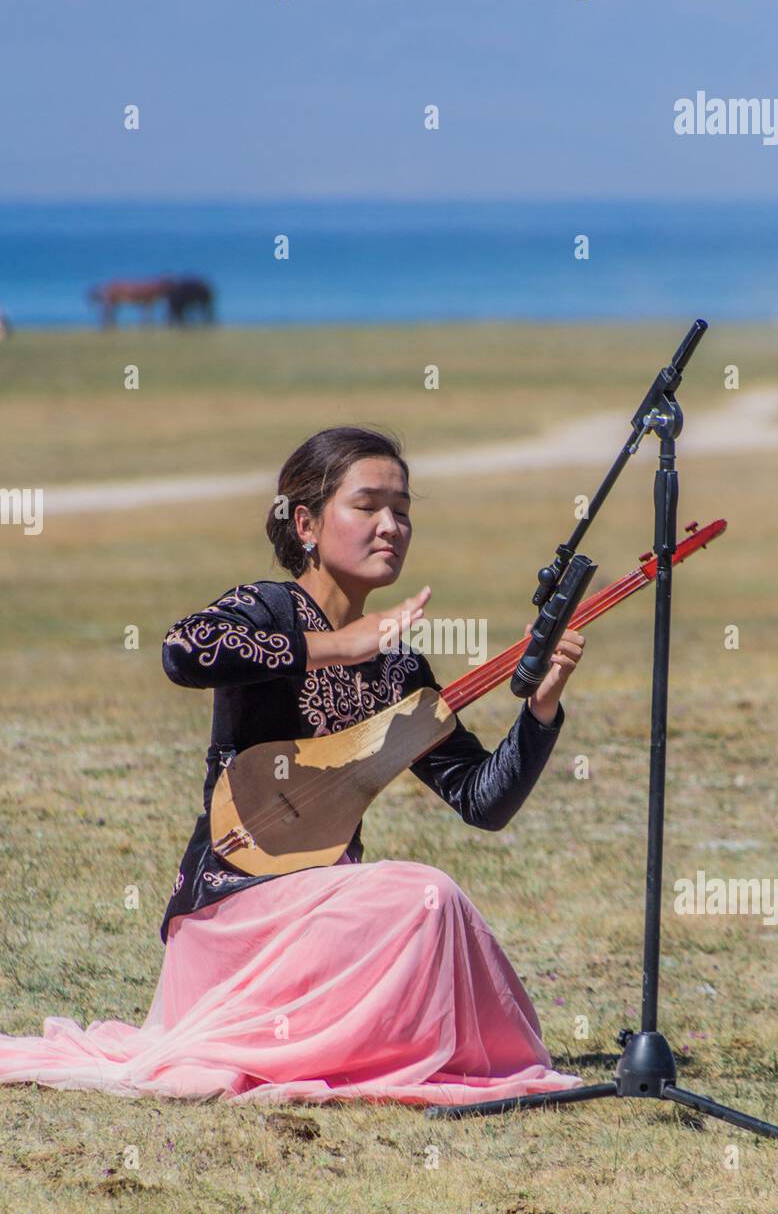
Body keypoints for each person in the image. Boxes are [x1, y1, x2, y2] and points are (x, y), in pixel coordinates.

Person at [0, 427, 588, 1108]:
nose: (391, 525)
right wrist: (334, 645)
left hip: (325, 918)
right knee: (426, 896)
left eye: (402, 509)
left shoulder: (399, 666)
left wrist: (540, 714)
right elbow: (183, 651)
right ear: (305, 522)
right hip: (232, 916)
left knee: (427, 901)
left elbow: (481, 799)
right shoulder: (267, 609)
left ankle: (397, 1051)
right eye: (367, 506)